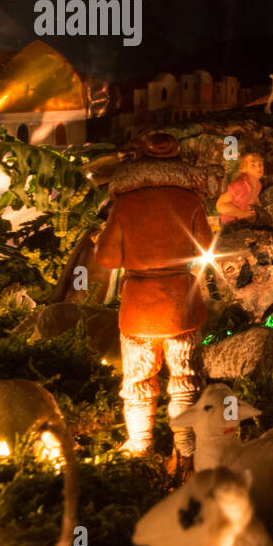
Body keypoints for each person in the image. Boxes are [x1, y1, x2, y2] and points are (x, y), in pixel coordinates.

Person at [94, 133, 211, 461]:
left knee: (138, 378)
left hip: (139, 307)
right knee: (185, 376)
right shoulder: (191, 201)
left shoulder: (125, 204)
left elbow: (106, 259)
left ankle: (141, 445)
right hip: (181, 304)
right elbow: (206, 245)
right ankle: (187, 447)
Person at [215, 152, 264, 224]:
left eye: (260, 164)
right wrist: (241, 214)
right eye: (253, 165)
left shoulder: (258, 185)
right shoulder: (240, 186)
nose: (259, 167)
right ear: (244, 168)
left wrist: (260, 210)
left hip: (245, 221)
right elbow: (219, 205)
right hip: (230, 223)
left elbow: (254, 197)